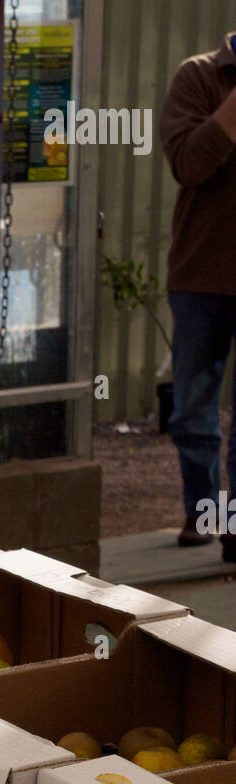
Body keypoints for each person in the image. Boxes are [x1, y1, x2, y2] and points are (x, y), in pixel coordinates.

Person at [160, 33, 236, 553]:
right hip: (201, 277)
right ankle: (202, 510)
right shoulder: (198, 76)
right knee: (192, 408)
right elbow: (188, 165)